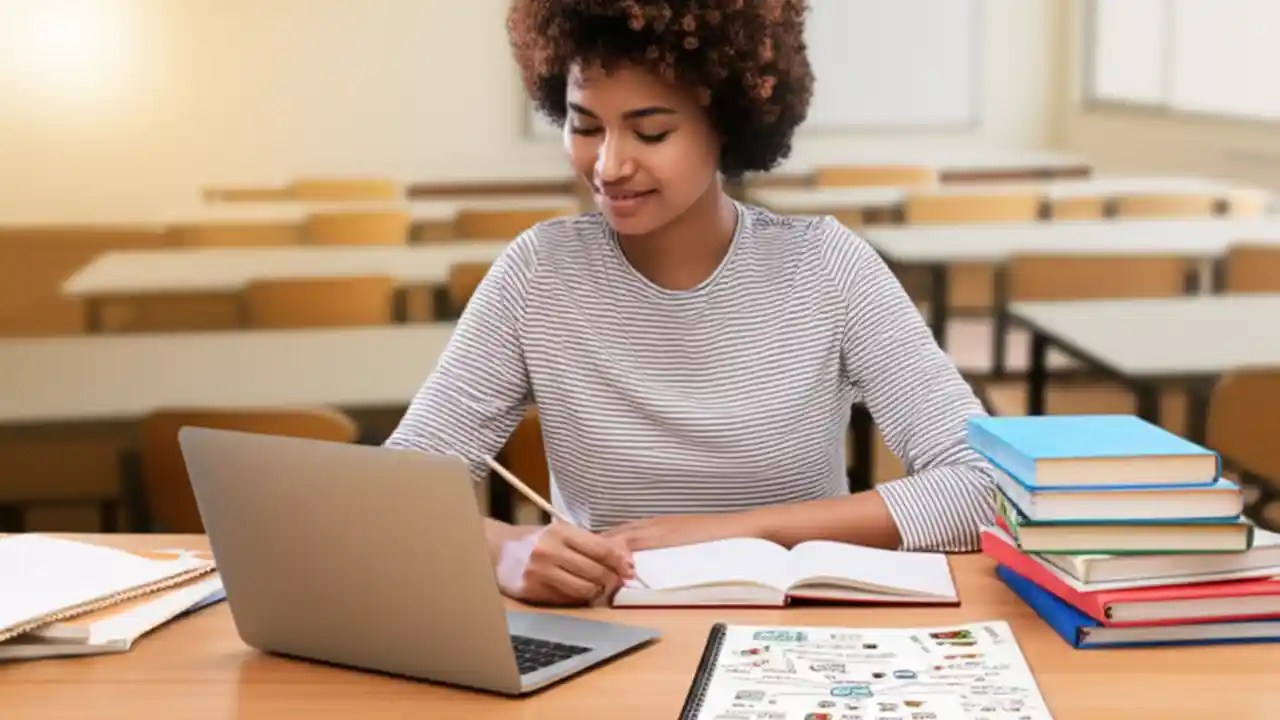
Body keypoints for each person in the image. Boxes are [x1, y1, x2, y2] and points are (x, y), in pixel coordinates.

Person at [385, 0, 994, 606]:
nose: (609, 166)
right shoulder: (538, 274)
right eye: (586, 126)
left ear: (725, 122)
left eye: (651, 132)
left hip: (802, 632)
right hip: (610, 630)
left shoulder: (828, 268)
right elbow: (394, 493)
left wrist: (741, 531)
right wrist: (503, 549)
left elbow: (984, 483)